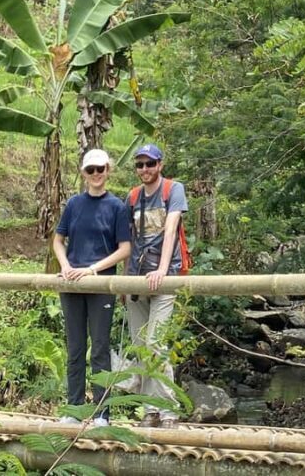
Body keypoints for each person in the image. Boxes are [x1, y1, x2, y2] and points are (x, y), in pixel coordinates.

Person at [53, 149, 131, 426]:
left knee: (99, 348)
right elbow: (58, 240)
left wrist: (93, 268)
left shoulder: (117, 207)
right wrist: (65, 265)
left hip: (101, 285)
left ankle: (102, 413)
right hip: (72, 285)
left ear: (108, 170)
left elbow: (124, 249)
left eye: (100, 169)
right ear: (84, 173)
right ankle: (74, 409)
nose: (96, 174)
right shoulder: (74, 204)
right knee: (74, 347)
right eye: (91, 170)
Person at [125, 143, 188, 429]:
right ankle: (150, 410)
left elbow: (171, 229)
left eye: (150, 164)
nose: (145, 169)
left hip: (166, 274)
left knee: (155, 343)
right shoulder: (133, 196)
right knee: (140, 345)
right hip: (138, 276)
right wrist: (125, 281)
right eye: (140, 165)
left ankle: (169, 411)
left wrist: (162, 270)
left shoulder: (172, 190)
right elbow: (128, 240)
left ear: (160, 165)